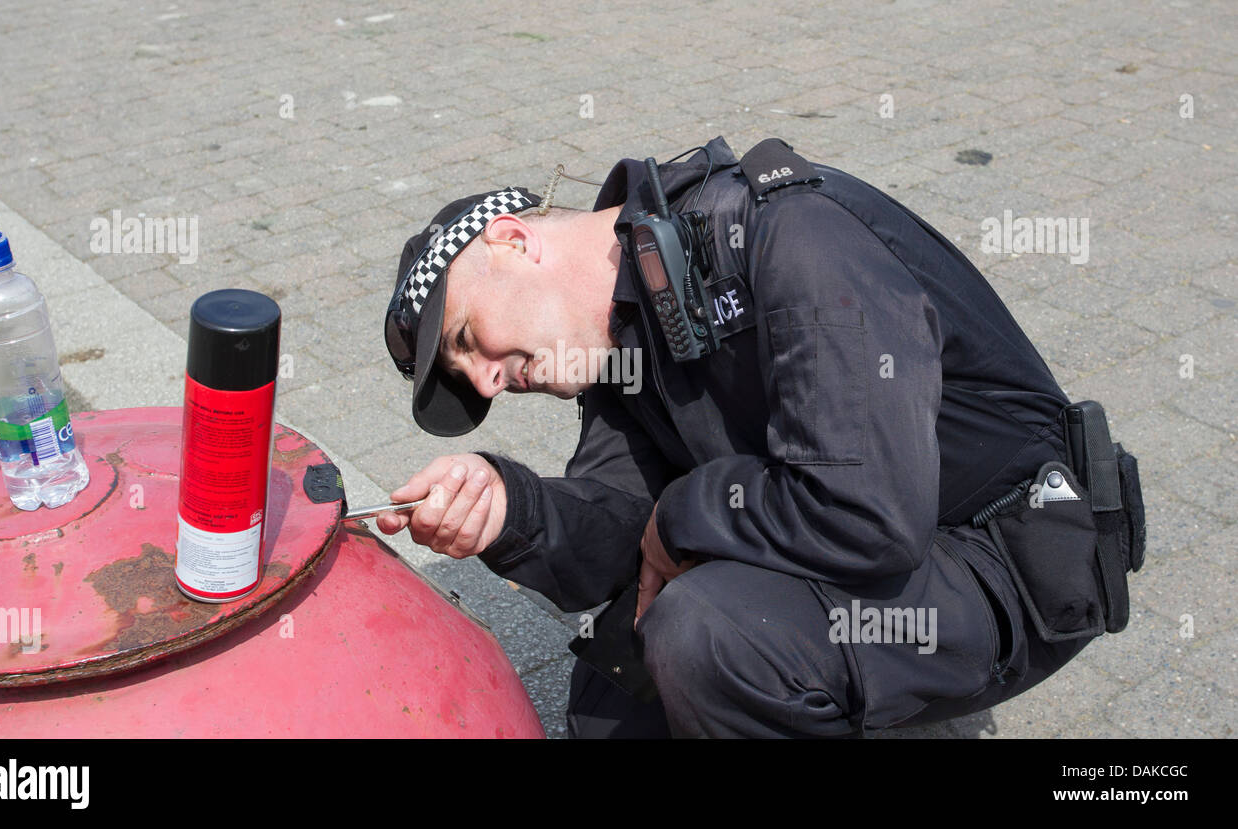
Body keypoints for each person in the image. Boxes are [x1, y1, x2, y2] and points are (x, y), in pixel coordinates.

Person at [377, 136, 1144, 738]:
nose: (485, 381)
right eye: (466, 378)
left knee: (705, 634)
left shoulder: (784, 235)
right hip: (879, 538)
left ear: (512, 240)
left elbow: (865, 513)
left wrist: (682, 512)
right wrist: (511, 507)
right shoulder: (621, 327)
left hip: (1001, 555)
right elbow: (622, 529)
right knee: (615, 697)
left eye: (469, 338)